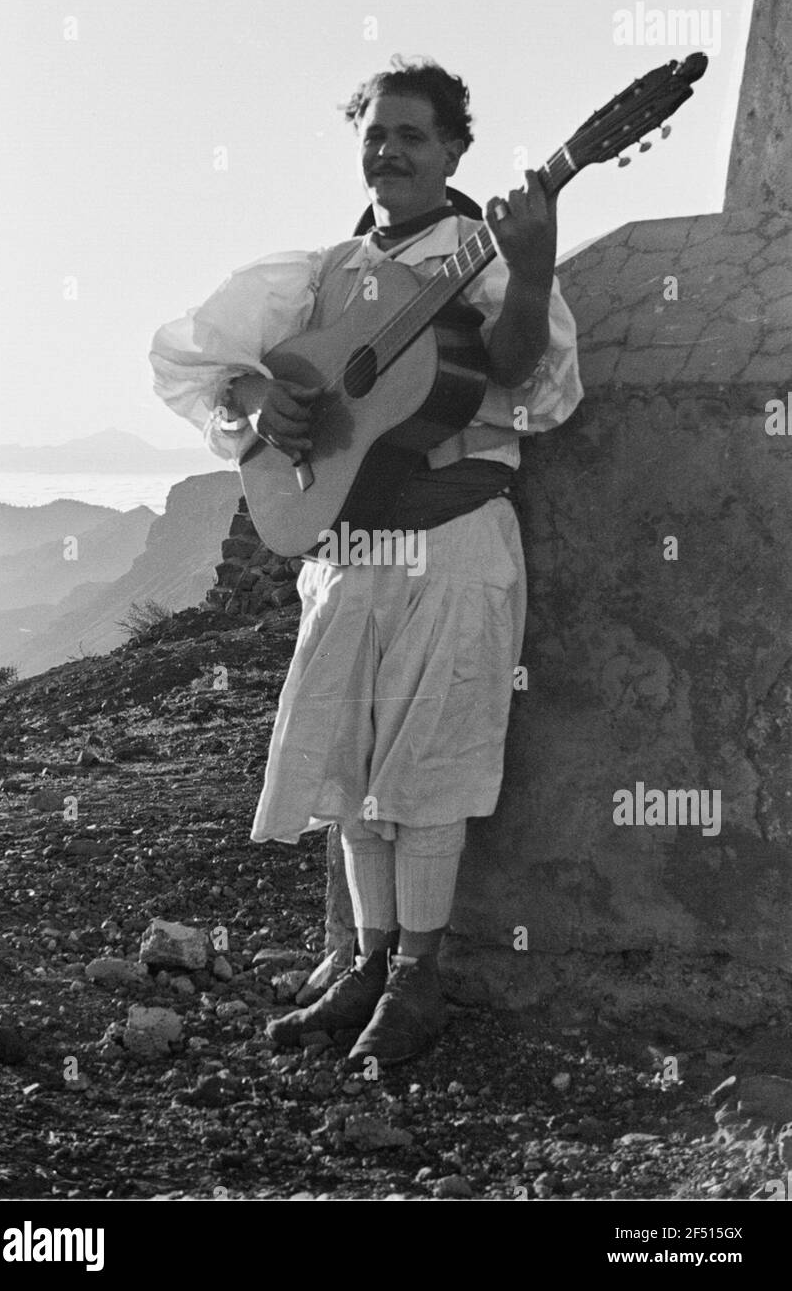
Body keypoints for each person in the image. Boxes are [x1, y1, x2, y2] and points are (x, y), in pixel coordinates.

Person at [150, 57, 582, 1069]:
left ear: (454, 152)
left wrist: (531, 263)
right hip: (345, 553)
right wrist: (260, 403)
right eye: (376, 133)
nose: (389, 150)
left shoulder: (481, 258)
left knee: (424, 771)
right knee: (348, 775)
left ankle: (414, 983)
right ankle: (362, 966)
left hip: (453, 542)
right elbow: (184, 356)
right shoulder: (322, 275)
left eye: (413, 136)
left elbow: (527, 376)